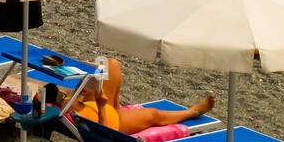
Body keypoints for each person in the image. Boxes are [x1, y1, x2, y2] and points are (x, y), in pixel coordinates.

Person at [68, 57, 214, 136]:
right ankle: (193, 111)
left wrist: (82, 84)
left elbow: (73, 98)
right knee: (153, 114)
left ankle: (117, 104)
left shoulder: (64, 104)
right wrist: (101, 105)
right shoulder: (66, 109)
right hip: (112, 120)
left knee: (112, 64)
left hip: (94, 103)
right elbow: (103, 134)